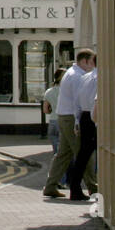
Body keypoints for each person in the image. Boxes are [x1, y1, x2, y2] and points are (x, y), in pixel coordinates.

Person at [42, 49, 97, 198]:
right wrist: (78, 123)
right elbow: (78, 101)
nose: (92, 66)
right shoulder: (78, 76)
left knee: (63, 154)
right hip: (72, 118)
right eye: (91, 62)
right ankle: (93, 187)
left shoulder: (70, 73)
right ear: (84, 61)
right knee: (83, 153)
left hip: (63, 116)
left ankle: (50, 185)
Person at [69, 55, 99, 200]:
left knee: (82, 155)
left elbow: (77, 101)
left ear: (92, 62)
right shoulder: (99, 78)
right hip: (95, 117)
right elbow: (96, 100)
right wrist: (97, 122)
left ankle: (75, 188)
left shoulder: (85, 77)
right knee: (97, 154)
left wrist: (77, 121)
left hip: (84, 117)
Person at [42, 67, 67, 185]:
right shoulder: (67, 91)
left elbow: (45, 110)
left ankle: (54, 179)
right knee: (64, 155)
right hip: (63, 122)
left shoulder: (49, 91)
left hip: (52, 123)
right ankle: (61, 180)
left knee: (56, 154)